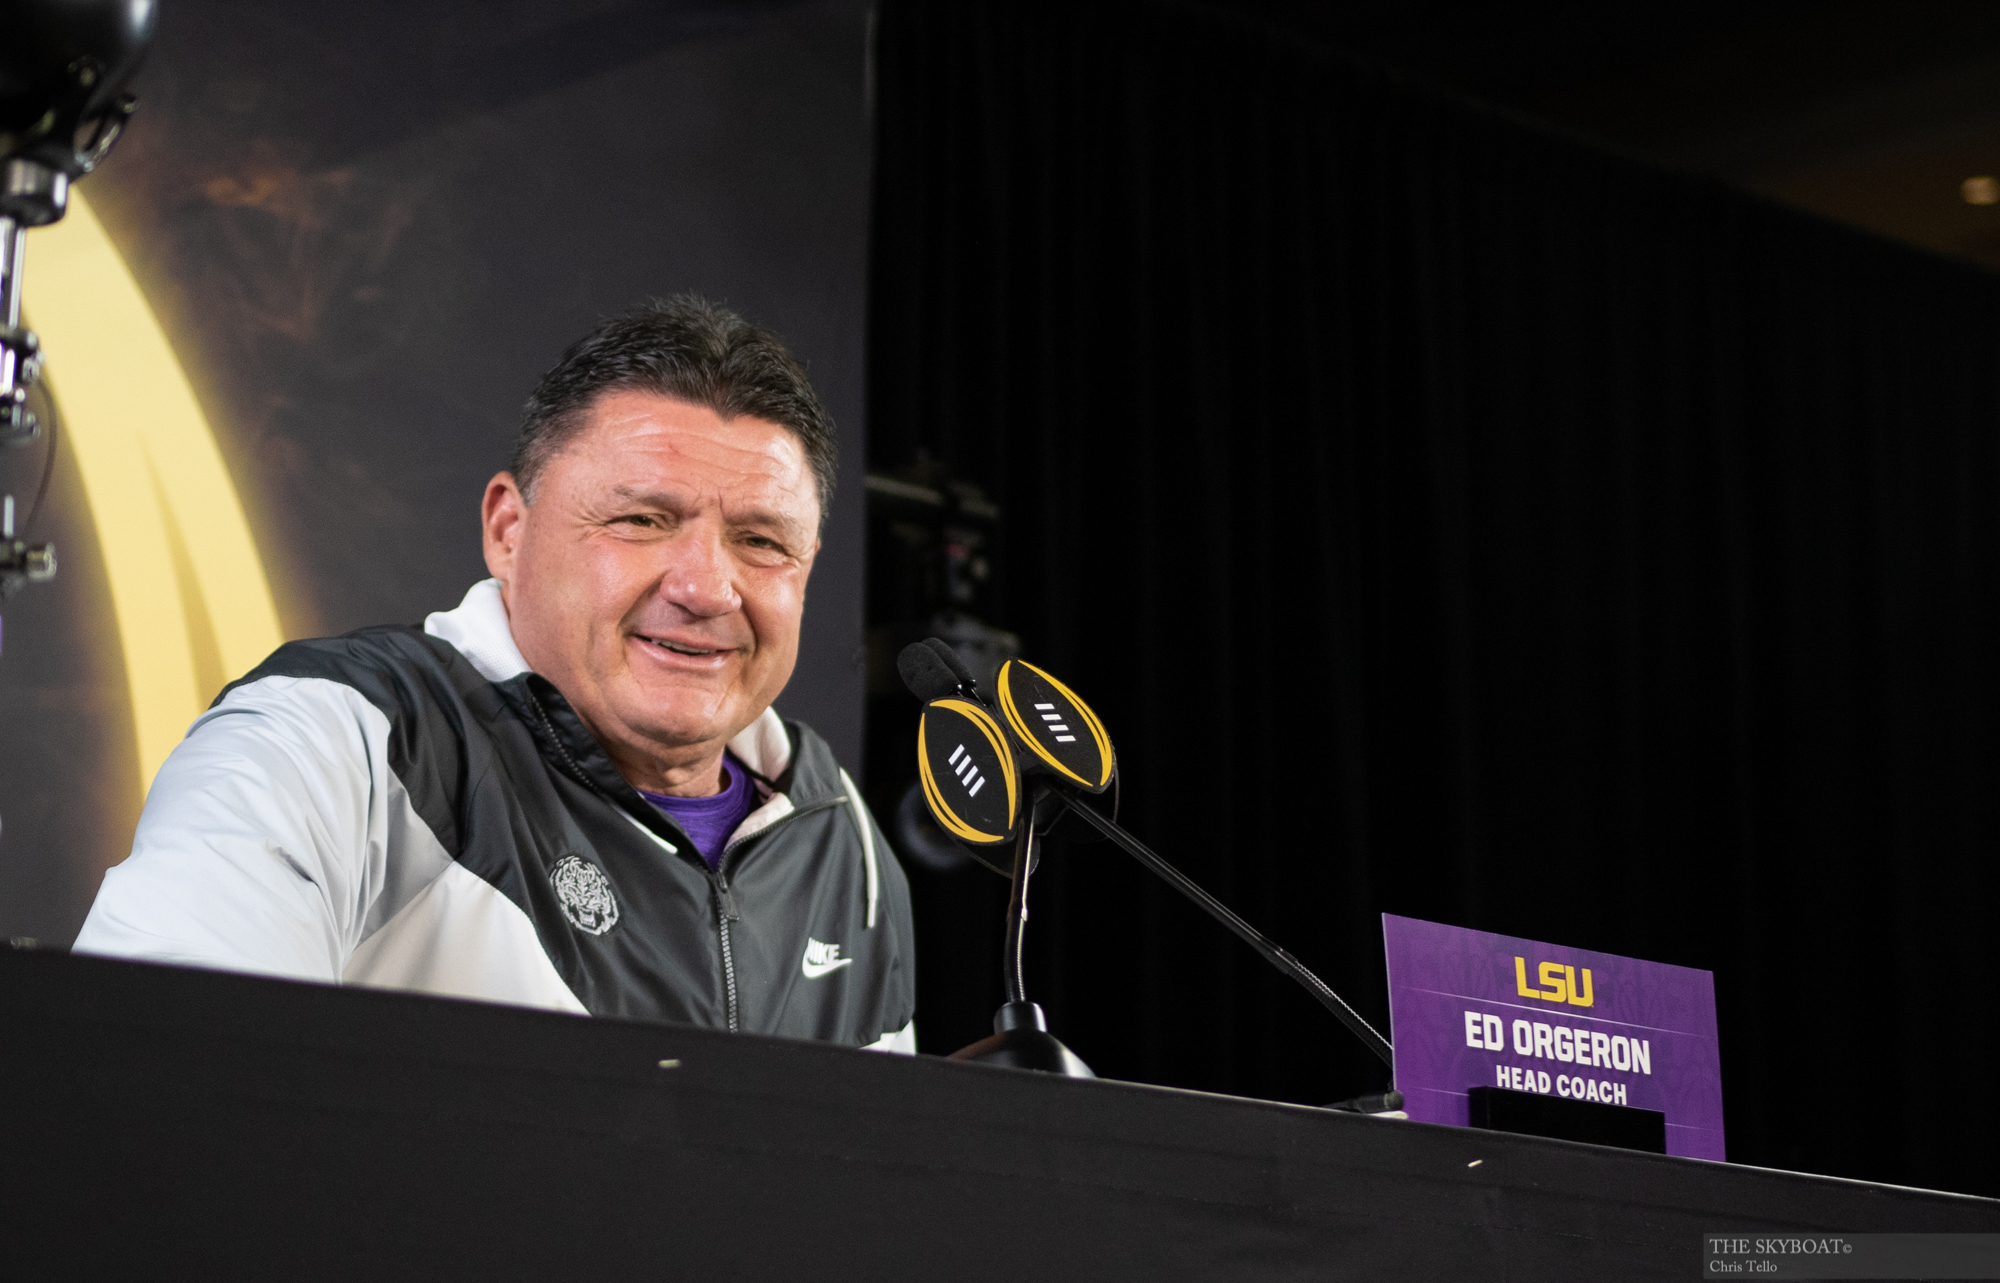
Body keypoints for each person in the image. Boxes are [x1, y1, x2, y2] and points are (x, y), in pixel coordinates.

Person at [74, 295, 915, 1052]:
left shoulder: (843, 840)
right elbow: (151, 1082)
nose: (704, 587)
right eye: (642, 520)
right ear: (509, 531)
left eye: (762, 541)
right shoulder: (336, 739)